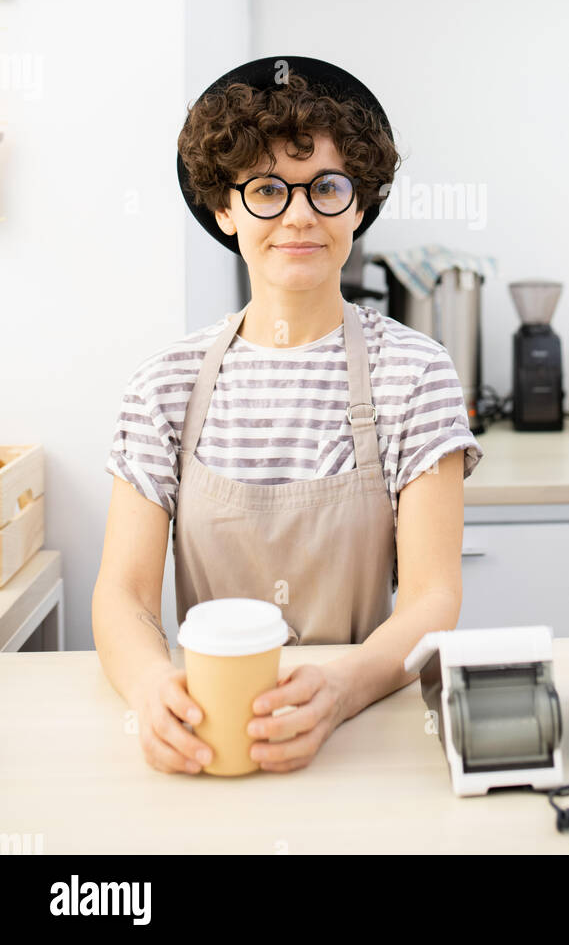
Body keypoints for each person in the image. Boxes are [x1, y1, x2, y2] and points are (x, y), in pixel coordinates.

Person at [92, 55, 483, 776]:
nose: (300, 215)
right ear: (225, 207)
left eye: (327, 188)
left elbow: (433, 597)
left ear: (357, 206)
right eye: (269, 189)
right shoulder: (165, 385)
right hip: (214, 729)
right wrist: (151, 688)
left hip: (365, 729)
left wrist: (341, 688)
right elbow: (123, 595)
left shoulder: (416, 374)